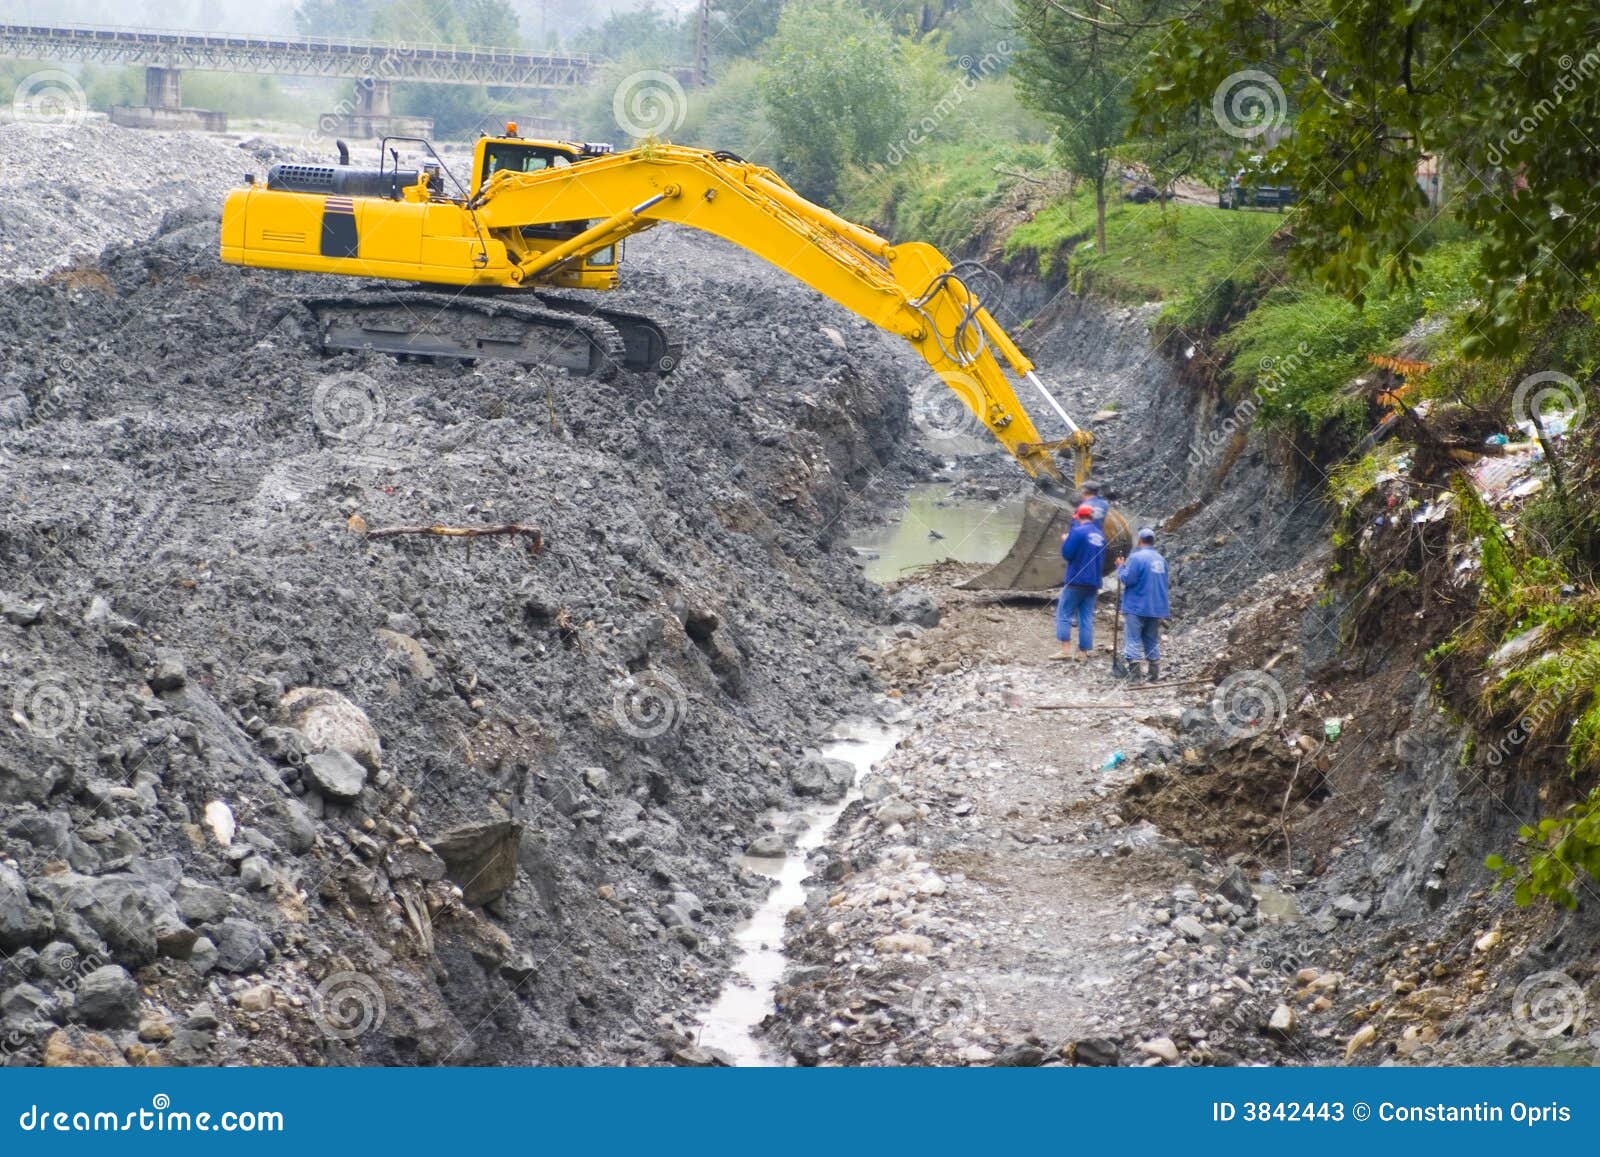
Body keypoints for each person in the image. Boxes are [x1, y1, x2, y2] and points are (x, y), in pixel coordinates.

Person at [1115, 527, 1171, 682]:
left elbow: (1127, 579)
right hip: (1155, 607)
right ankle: (1154, 674)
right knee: (1151, 639)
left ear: (1139, 540)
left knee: (1132, 638)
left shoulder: (1136, 558)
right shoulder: (1161, 559)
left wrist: (1120, 567)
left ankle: (1135, 677)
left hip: (1136, 606)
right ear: (1153, 541)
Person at [1054, 504, 1106, 661]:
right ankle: (1083, 653)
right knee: (1086, 617)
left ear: (1079, 517)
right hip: (1094, 582)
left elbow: (1067, 554)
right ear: (1091, 517)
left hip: (1076, 580)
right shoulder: (1100, 535)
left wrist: (1065, 540)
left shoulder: (1077, 532)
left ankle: (1065, 650)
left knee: (1064, 613)